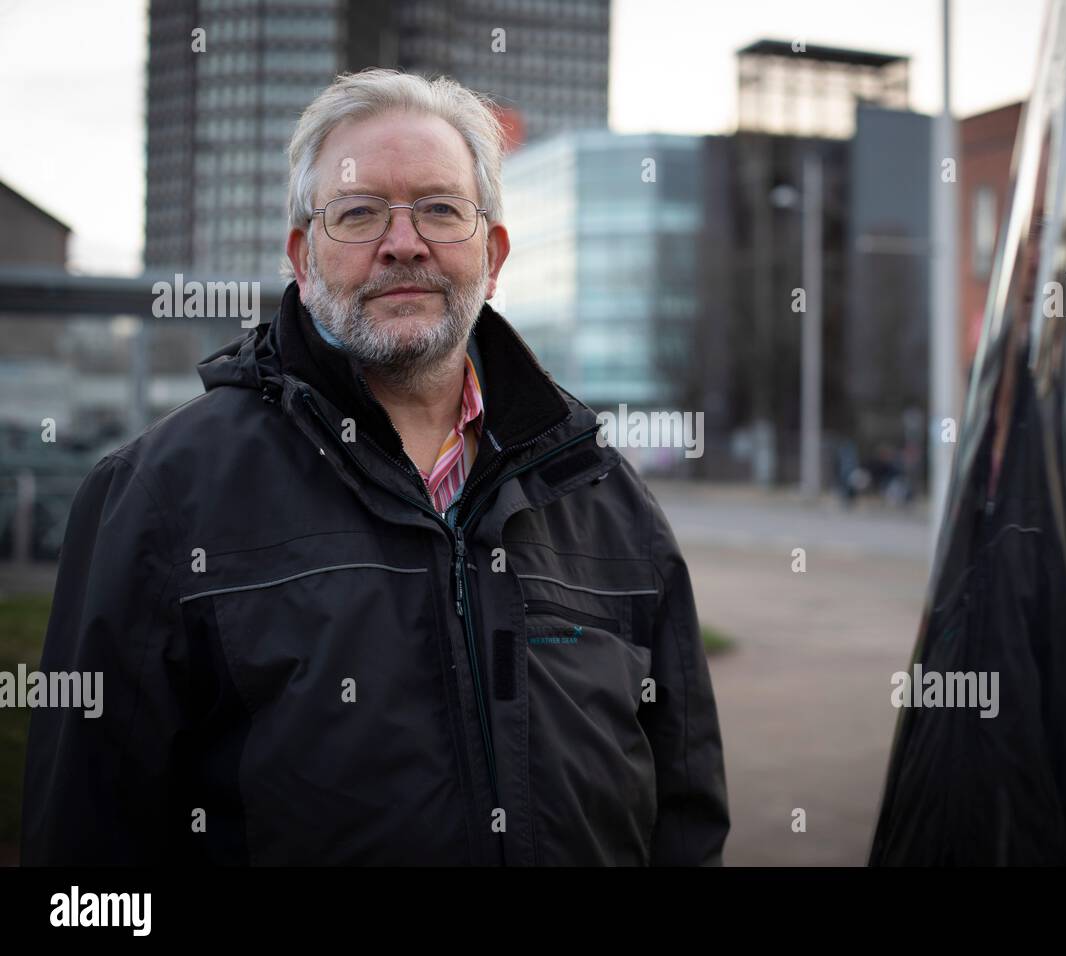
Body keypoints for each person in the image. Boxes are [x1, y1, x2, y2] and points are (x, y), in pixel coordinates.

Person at [22, 69, 729, 866]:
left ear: (492, 254)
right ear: (303, 254)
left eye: (439, 208)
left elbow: (686, 817)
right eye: (359, 213)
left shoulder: (606, 496)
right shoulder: (155, 498)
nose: (403, 242)